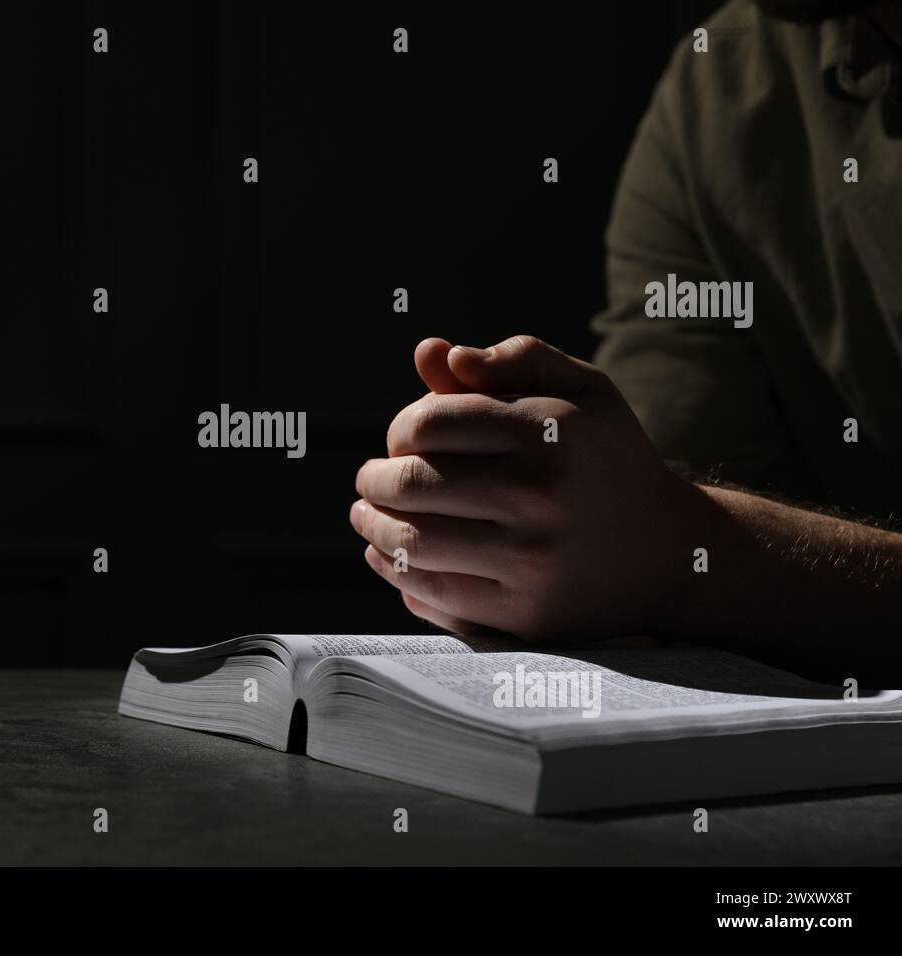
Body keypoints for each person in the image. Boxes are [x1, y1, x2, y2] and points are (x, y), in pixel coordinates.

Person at [349, 0, 902, 666]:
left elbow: (665, 550)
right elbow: (656, 512)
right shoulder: (721, 84)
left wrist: (677, 556)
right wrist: (555, 544)